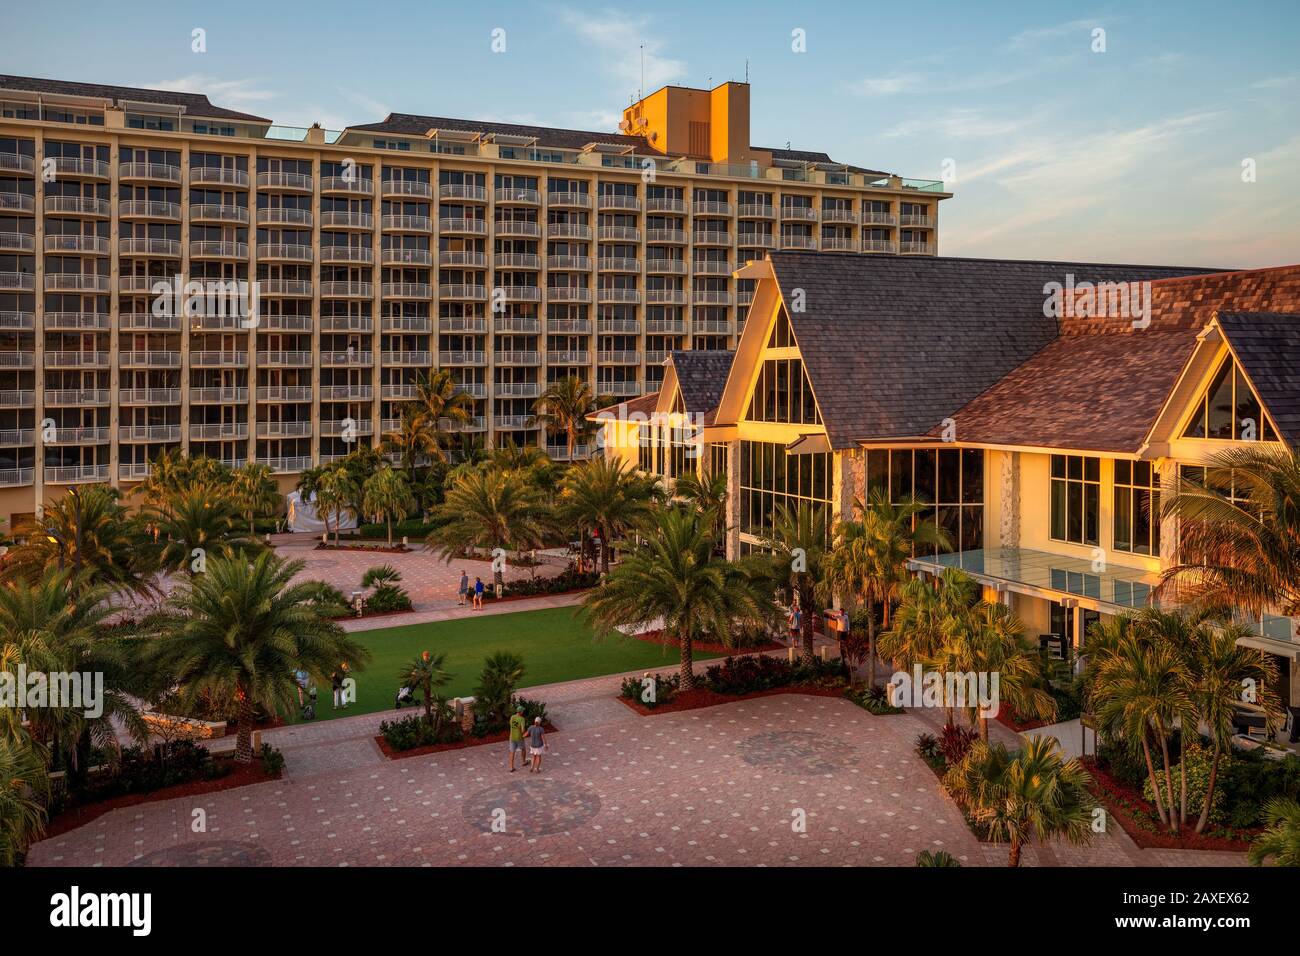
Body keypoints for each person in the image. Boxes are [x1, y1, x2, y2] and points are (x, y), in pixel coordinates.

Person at [508, 705, 527, 772]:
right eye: (522, 711)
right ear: (520, 712)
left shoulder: (512, 717)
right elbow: (522, 730)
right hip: (519, 737)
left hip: (512, 737)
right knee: (523, 749)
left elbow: (510, 724)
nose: (523, 712)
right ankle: (524, 761)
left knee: (512, 752)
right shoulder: (522, 719)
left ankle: (511, 767)